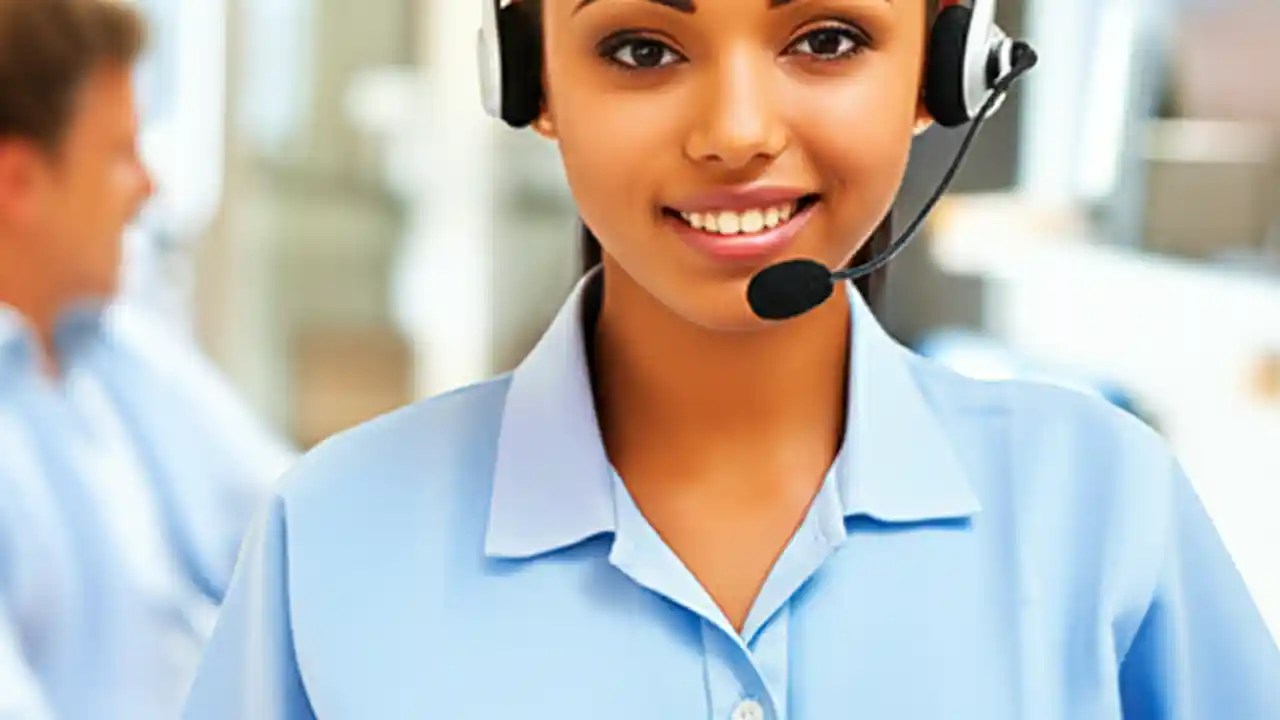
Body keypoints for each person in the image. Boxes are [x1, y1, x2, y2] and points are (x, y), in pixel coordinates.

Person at [185, 0, 1280, 717]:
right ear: (530, 79)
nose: (736, 130)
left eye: (826, 39)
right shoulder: (333, 536)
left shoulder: (1100, 510)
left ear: (944, 69)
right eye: (642, 49)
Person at [0, 1, 293, 717]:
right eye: (120, 154)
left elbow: (305, 538)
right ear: (19, 183)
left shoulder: (120, 355)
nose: (147, 186)